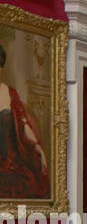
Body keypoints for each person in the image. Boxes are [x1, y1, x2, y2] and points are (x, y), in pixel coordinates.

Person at [0, 40, 48, 199]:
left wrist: (38, 148)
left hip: (10, 162)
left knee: (28, 182)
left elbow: (23, 122)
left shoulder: (9, 93)